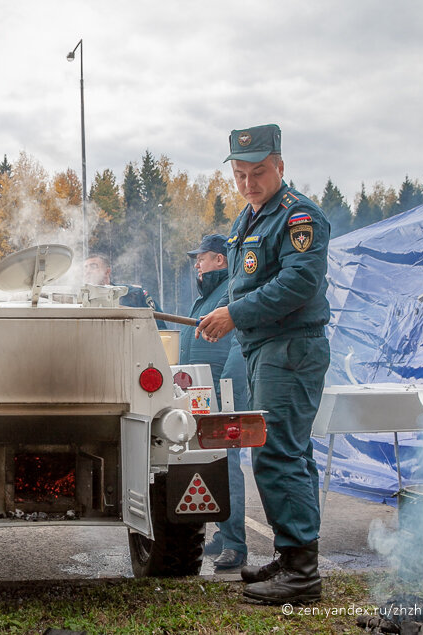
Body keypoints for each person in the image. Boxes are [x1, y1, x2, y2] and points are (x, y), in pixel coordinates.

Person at [196, 124, 331, 604]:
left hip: (289, 348)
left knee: (277, 454)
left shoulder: (299, 218)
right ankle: (293, 555)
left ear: (280, 166)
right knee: (293, 453)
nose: (249, 183)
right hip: (263, 349)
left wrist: (233, 314)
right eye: (240, 175)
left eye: (258, 173)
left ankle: (301, 575)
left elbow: (298, 284)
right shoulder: (247, 220)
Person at [179, 234, 251, 573]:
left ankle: (236, 544)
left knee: (226, 465)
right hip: (201, 393)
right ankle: (224, 533)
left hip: (221, 392)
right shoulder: (206, 297)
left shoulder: (231, 291)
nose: (197, 263)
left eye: (202, 257)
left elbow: (240, 341)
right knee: (210, 463)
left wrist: (228, 393)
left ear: (219, 260)